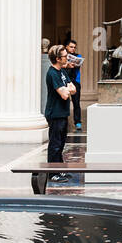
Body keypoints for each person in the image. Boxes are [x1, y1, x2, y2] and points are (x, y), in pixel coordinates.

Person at [44, 45, 75, 180]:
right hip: (55, 113)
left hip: (63, 113)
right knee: (55, 144)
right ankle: (52, 173)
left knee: (61, 143)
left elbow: (73, 89)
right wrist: (67, 89)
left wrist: (68, 89)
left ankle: (59, 169)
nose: (67, 58)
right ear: (57, 59)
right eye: (64, 56)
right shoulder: (52, 73)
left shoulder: (62, 71)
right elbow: (64, 94)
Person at [64, 39, 83, 130]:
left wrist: (72, 64)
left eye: (74, 47)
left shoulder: (78, 56)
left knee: (76, 103)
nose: (73, 49)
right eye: (71, 47)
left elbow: (79, 64)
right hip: (64, 81)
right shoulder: (62, 56)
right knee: (64, 102)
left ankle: (78, 122)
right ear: (66, 46)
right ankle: (64, 120)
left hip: (75, 81)